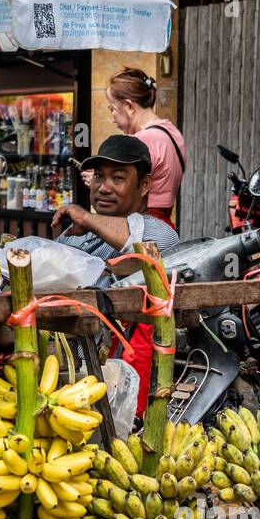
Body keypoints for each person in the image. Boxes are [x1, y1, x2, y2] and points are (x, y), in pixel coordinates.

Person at [51, 134, 180, 414]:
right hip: (59, 371)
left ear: (144, 185)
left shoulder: (157, 231)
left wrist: (86, 217)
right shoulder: (74, 236)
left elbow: (158, 244)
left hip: (112, 380)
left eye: (118, 178)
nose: (103, 188)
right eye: (98, 177)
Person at [105, 67, 187, 229]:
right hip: (164, 227)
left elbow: (118, 194)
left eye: (112, 109)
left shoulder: (141, 141)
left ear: (129, 106)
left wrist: (96, 179)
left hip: (141, 229)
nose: (112, 119)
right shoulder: (173, 133)